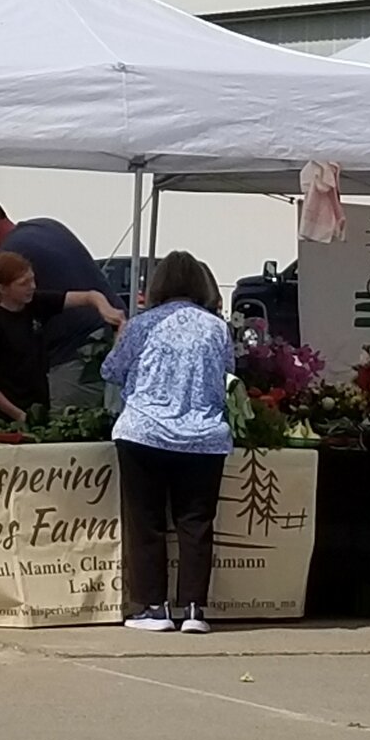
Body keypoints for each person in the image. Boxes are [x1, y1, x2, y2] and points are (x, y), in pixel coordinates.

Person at [101, 251, 234, 635]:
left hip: (144, 432)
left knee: (147, 522)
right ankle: (194, 609)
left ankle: (154, 608)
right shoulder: (216, 328)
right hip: (203, 437)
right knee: (196, 522)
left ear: (158, 285)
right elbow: (229, 372)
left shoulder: (141, 326)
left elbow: (111, 369)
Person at [0, 198, 122, 408]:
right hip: (115, 337)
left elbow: (3, 316)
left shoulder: (9, 254)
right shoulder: (47, 225)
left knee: (68, 429)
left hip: (75, 354)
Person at [0, 251, 124, 421]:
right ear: (3, 289)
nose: (32, 286)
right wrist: (19, 415)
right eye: (24, 283)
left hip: (40, 405)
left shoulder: (36, 304)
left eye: (32, 280)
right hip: (8, 414)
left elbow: (90, 296)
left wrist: (105, 309)